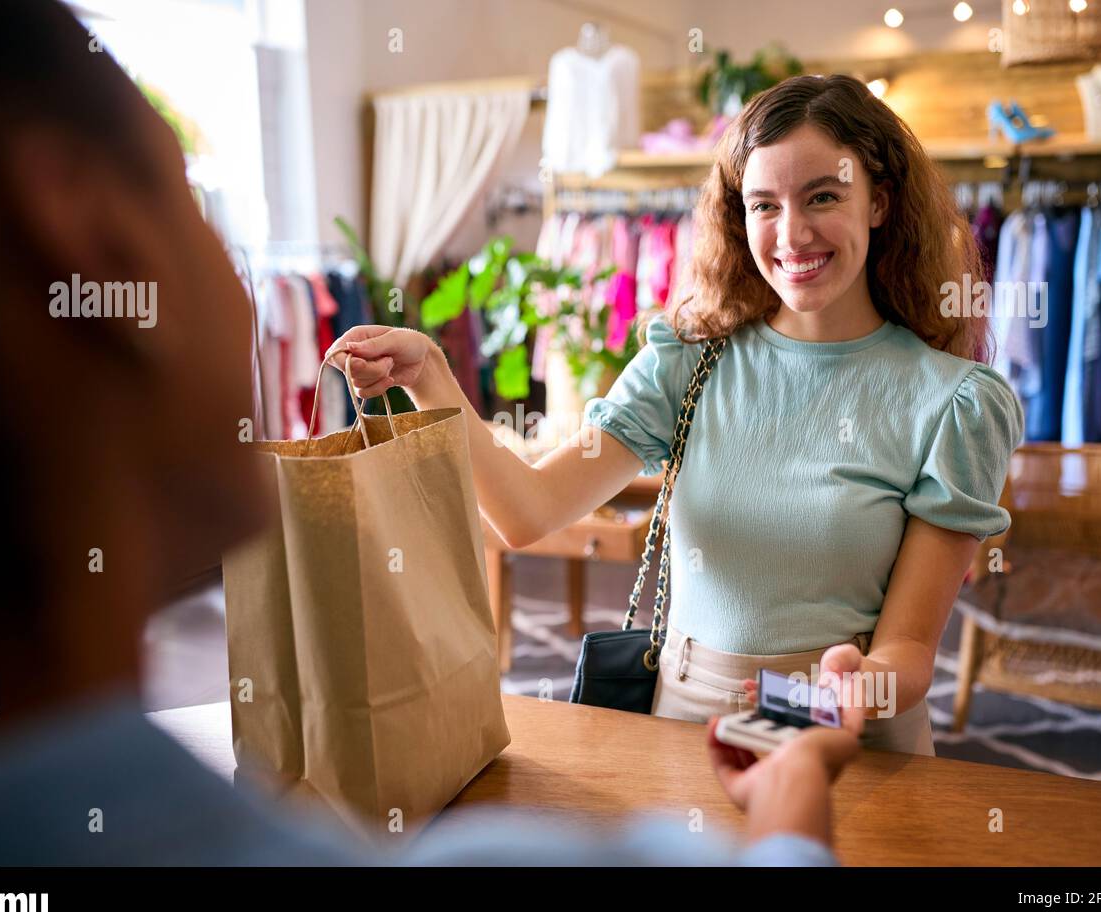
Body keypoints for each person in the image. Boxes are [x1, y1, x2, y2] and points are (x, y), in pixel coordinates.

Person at [0, 0, 857, 866]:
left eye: (822, 195)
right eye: (190, 201)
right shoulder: (501, 861)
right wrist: (792, 821)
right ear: (98, 240)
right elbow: (528, 512)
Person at [332, 75, 1025, 757]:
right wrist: (430, 376)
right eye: (764, 205)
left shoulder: (954, 403)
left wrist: (856, 688)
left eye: (823, 197)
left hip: (852, 749)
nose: (793, 234)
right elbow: (526, 511)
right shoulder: (685, 360)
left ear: (879, 202)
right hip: (683, 727)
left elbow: (908, 649)